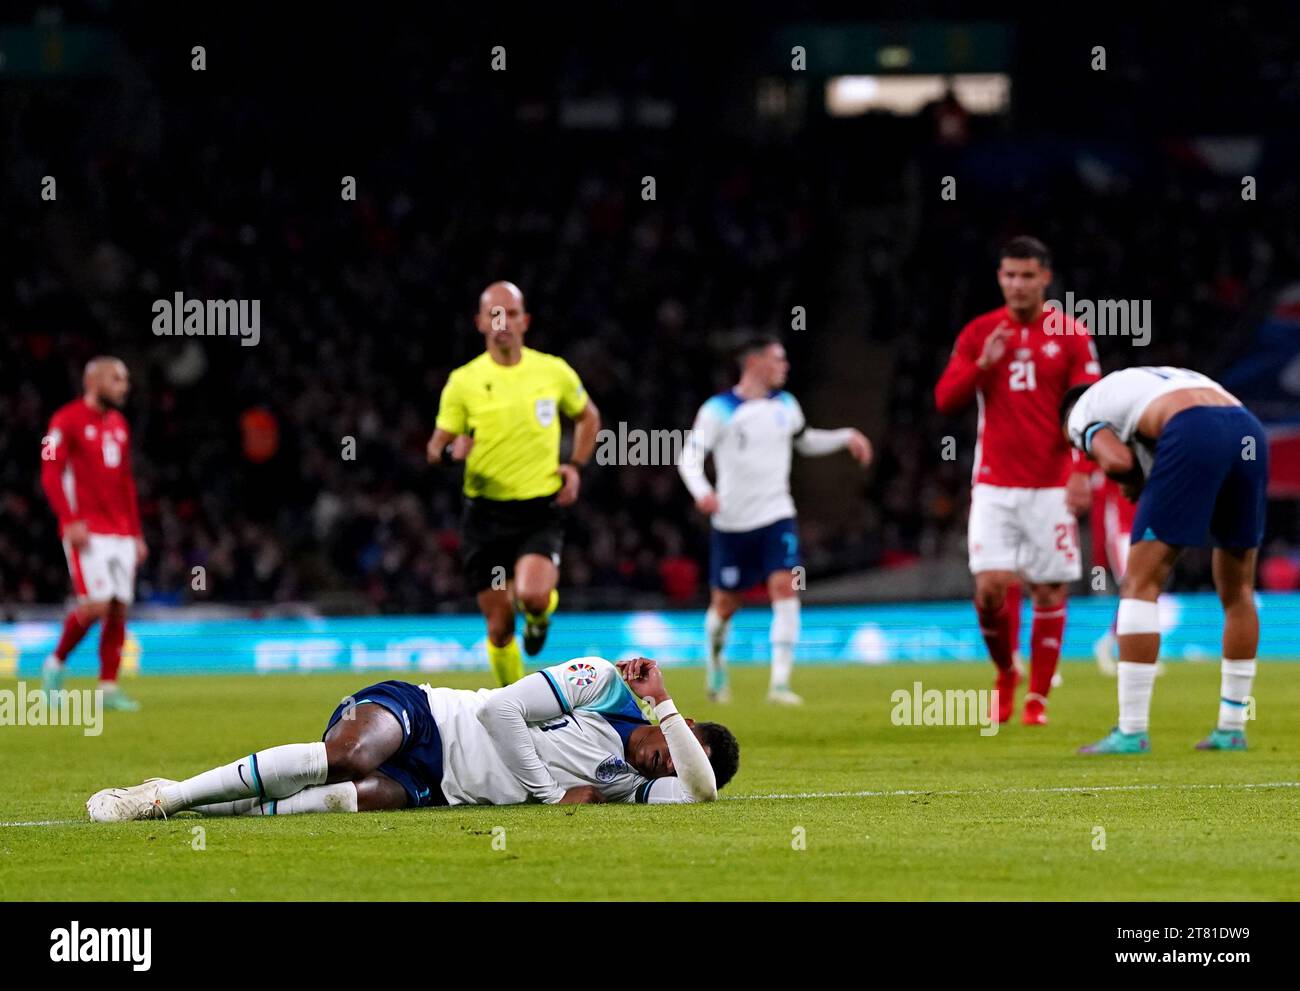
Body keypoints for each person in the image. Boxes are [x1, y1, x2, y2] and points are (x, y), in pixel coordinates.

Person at [86, 656, 739, 820]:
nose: (661, 760)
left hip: (436, 785)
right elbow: (499, 712)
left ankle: (202, 800)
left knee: (337, 801)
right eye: (669, 741)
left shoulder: (638, 787)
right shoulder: (597, 681)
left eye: (674, 763)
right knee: (346, 758)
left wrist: (675, 719)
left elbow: (703, 795)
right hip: (428, 714)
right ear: (656, 720)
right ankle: (163, 798)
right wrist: (543, 793)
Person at [934, 236, 1100, 725]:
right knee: (990, 587)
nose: (1017, 284)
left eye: (1027, 275)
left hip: (1051, 485)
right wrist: (982, 365)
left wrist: (1082, 472)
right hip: (994, 483)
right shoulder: (980, 333)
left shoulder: (1070, 335)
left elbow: (1089, 409)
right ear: (1000, 278)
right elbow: (945, 400)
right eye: (1009, 275)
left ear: (1045, 278)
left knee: (1049, 590)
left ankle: (1038, 700)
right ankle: (1007, 671)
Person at [1060, 366, 1268, 753]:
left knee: (1139, 585)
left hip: (1193, 428)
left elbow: (1118, 462)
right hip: (1247, 429)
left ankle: (1131, 731)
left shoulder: (1080, 412)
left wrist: (1130, 483)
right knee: (1238, 589)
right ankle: (1232, 727)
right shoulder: (1146, 380)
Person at [678, 335, 871, 705]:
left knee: (786, 588)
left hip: (777, 516)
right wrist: (703, 491)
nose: (785, 366)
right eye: (778, 359)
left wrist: (845, 437)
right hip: (732, 523)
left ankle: (780, 684)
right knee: (725, 605)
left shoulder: (787, 405)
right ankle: (716, 667)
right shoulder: (718, 409)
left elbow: (804, 440)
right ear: (754, 363)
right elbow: (689, 457)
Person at [427, 282, 600, 685]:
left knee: (533, 597)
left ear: (526, 321)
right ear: (480, 322)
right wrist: (454, 452)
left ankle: (539, 618)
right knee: (500, 626)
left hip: (539, 510)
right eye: (494, 314)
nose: (503, 322)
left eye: (511, 313)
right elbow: (435, 449)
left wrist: (574, 465)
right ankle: (514, 700)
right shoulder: (464, 381)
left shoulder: (552, 371)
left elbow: (588, 416)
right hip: (485, 517)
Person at [39, 357, 147, 711]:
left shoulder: (119, 424)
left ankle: (107, 688)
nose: (124, 386)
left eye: (125, 379)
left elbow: (126, 482)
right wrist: (69, 519)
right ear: (94, 381)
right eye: (117, 379)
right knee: (96, 605)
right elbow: (50, 472)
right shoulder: (64, 420)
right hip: (87, 530)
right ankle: (54, 664)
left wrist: (135, 533)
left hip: (120, 532)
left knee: (117, 608)